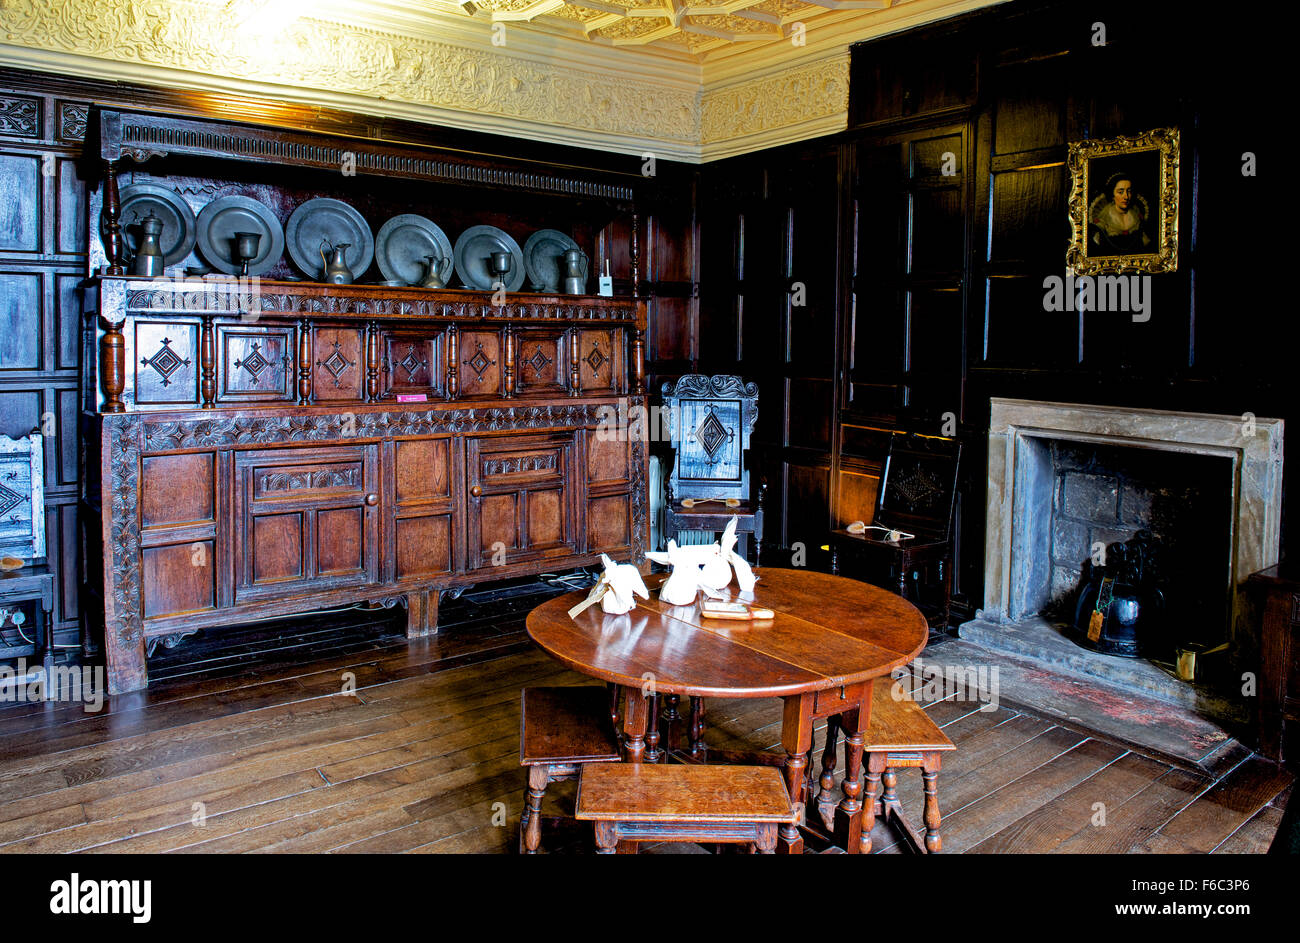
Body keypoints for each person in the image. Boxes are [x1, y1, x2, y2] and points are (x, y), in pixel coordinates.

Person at [1089, 172, 1152, 255]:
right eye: (1120, 192)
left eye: (1129, 191)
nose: (1126, 197)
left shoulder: (1138, 218)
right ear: (1112, 194)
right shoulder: (1102, 222)